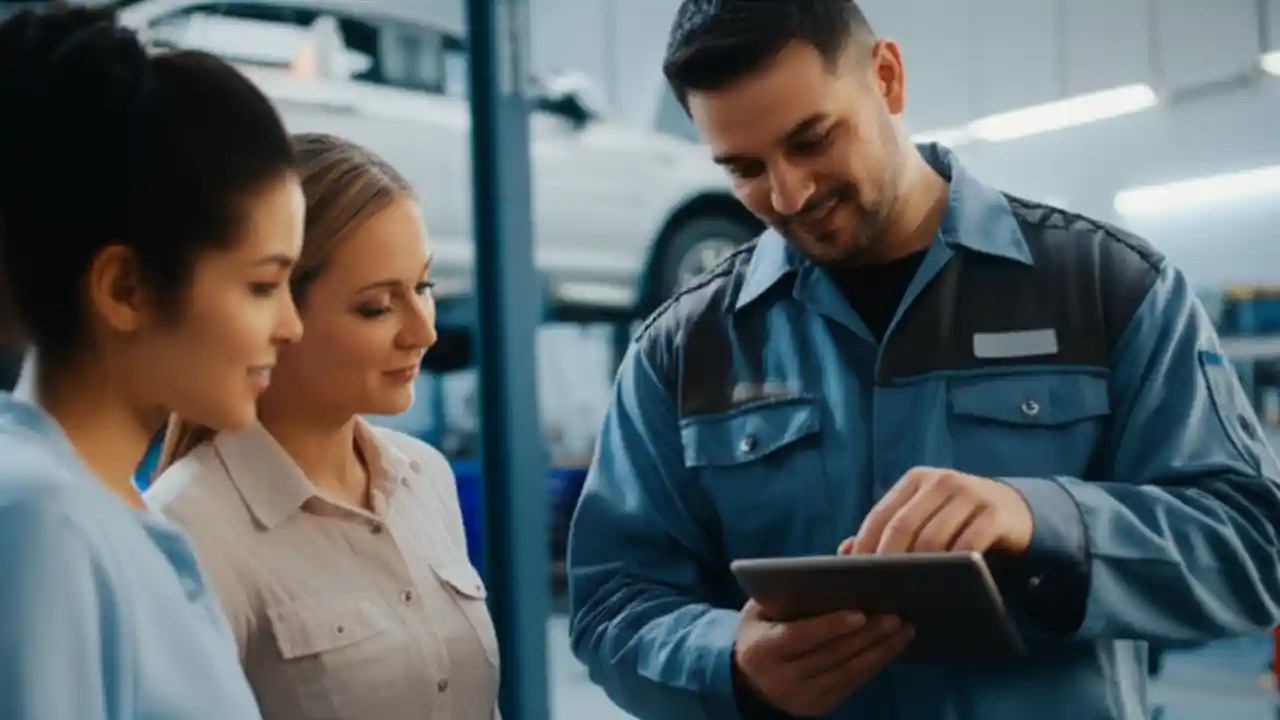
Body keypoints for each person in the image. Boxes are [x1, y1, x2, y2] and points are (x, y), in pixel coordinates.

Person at [567, 2, 1280, 719]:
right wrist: (728, 662)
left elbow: (1253, 547)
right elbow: (611, 603)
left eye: (813, 139)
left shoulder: (1106, 290)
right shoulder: (683, 349)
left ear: (887, 77)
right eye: (744, 169)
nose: (789, 194)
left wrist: (1040, 519)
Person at [0, 6, 304, 719]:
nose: (290, 325)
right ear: (125, 289)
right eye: (262, 285)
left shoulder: (110, 511)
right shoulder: (47, 527)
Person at [145, 134, 500, 720]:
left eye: (423, 288)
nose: (424, 331)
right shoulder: (188, 531)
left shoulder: (425, 479)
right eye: (376, 307)